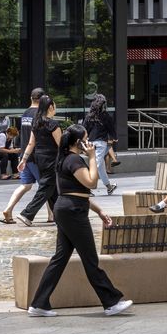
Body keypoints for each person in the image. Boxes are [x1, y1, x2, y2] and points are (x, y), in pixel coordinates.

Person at [26, 124, 132, 318]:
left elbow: (77, 192)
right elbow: (91, 182)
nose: (89, 142)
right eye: (86, 138)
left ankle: (39, 303)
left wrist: (99, 211)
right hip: (73, 212)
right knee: (90, 258)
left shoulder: (65, 159)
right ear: (78, 142)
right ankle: (111, 302)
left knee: (60, 259)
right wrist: (92, 157)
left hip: (68, 209)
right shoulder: (74, 160)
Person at [17, 94, 62, 227]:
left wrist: (23, 159)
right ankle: (27, 213)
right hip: (52, 159)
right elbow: (61, 144)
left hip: (40, 159)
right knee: (46, 187)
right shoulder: (53, 124)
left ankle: (60, 216)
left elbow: (31, 143)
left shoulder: (36, 122)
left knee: (53, 189)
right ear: (50, 107)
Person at [81, 94, 117, 196]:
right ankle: (85, 188)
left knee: (100, 166)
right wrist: (114, 137)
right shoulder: (105, 116)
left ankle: (109, 187)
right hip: (101, 143)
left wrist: (83, 141)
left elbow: (84, 129)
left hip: (91, 143)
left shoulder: (89, 116)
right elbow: (111, 128)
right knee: (96, 165)